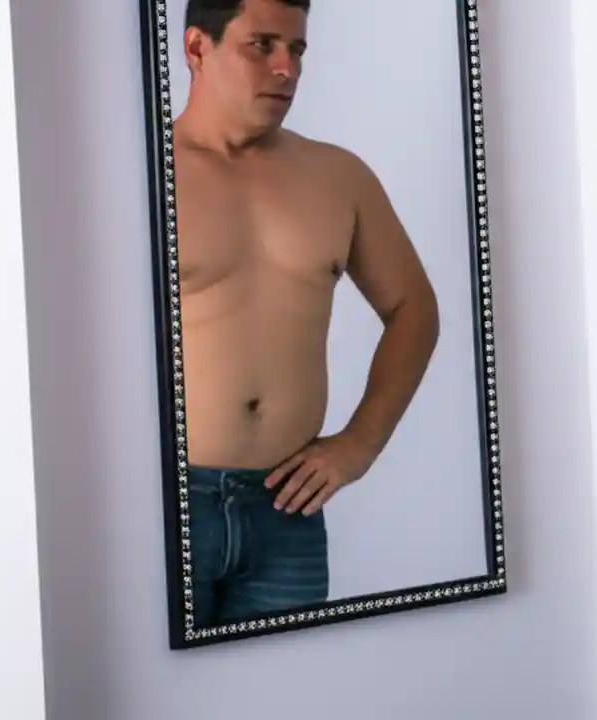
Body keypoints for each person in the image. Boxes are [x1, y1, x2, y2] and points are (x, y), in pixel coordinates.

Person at [172, 0, 440, 627]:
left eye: (297, 50)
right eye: (262, 45)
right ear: (197, 48)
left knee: (287, 695)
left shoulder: (336, 175)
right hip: (166, 505)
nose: (286, 68)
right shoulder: (140, 171)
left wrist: (359, 445)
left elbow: (414, 308)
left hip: (286, 507)